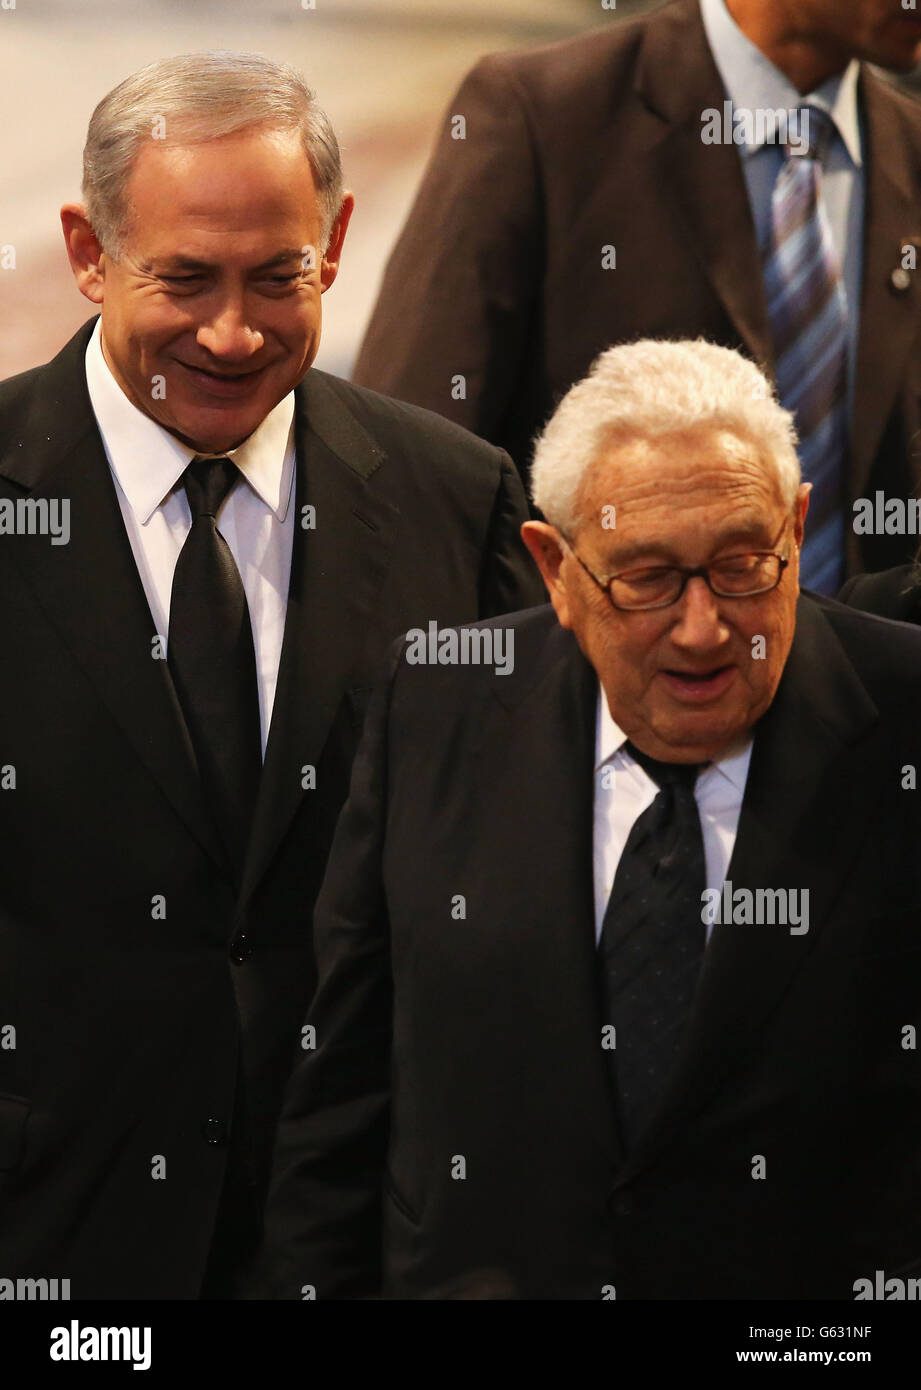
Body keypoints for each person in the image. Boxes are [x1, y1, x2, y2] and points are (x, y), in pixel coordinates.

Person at [0, 51, 542, 1300]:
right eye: (184, 278)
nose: (234, 333)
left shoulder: (458, 505)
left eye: (278, 276)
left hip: (352, 1240)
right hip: (50, 1243)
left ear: (338, 242)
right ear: (88, 251)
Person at [253, 340, 921, 1300]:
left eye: (741, 566)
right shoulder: (438, 702)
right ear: (555, 568)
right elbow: (342, 1091)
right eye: (646, 579)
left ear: (797, 526)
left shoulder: (902, 719)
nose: (702, 628)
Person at [354, 0, 921, 592]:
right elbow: (403, 465)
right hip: (578, 675)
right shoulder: (543, 113)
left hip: (865, 680)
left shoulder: (909, 151)